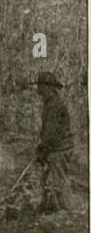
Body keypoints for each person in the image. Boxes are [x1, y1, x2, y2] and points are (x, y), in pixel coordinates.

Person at [33, 71, 74, 213]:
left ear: (48, 87)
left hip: (60, 148)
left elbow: (50, 133)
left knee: (60, 180)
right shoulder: (50, 103)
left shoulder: (54, 105)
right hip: (56, 147)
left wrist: (42, 148)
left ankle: (68, 211)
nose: (39, 90)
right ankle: (49, 207)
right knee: (49, 179)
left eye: (41, 86)